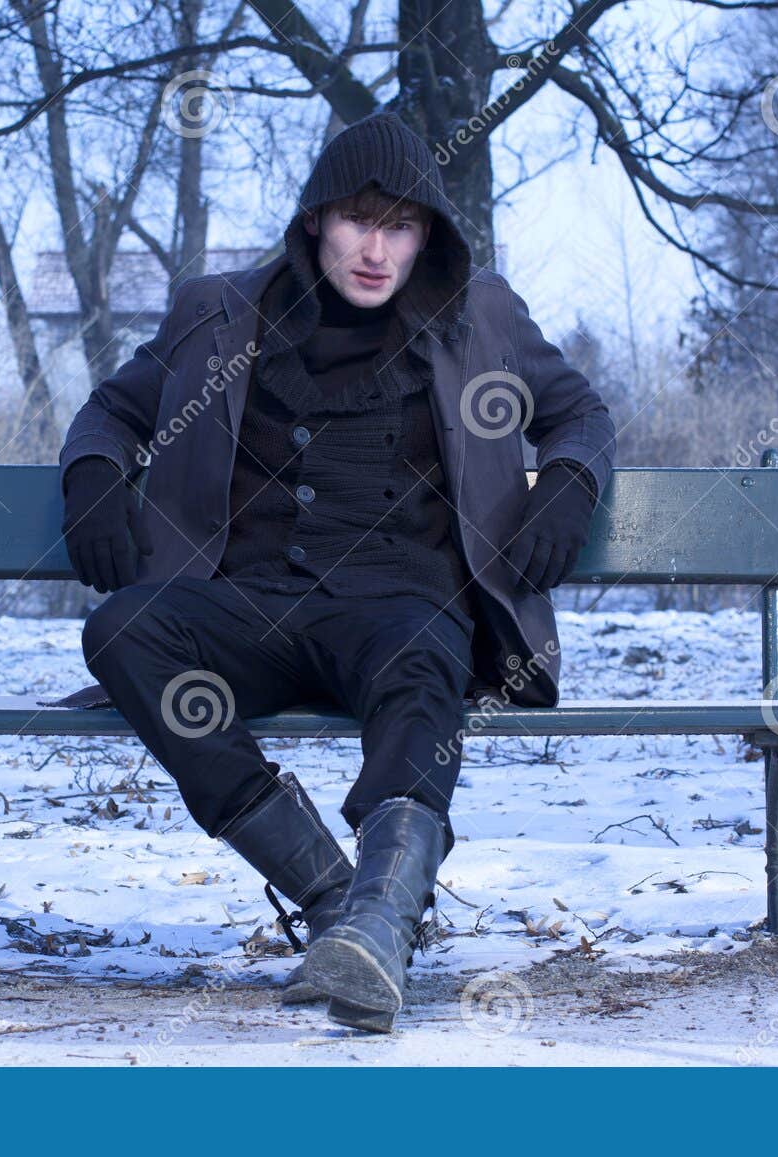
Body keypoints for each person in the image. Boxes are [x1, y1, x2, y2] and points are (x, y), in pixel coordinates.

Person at [53, 111, 616, 1032]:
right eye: (358, 221)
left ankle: (380, 927)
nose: (376, 248)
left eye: (400, 227)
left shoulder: (482, 314)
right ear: (317, 218)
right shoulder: (221, 309)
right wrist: (93, 479)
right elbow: (113, 409)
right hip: (251, 607)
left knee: (426, 668)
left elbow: (580, 414)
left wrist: (566, 486)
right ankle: (339, 902)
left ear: (425, 234)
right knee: (123, 631)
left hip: (400, 607)